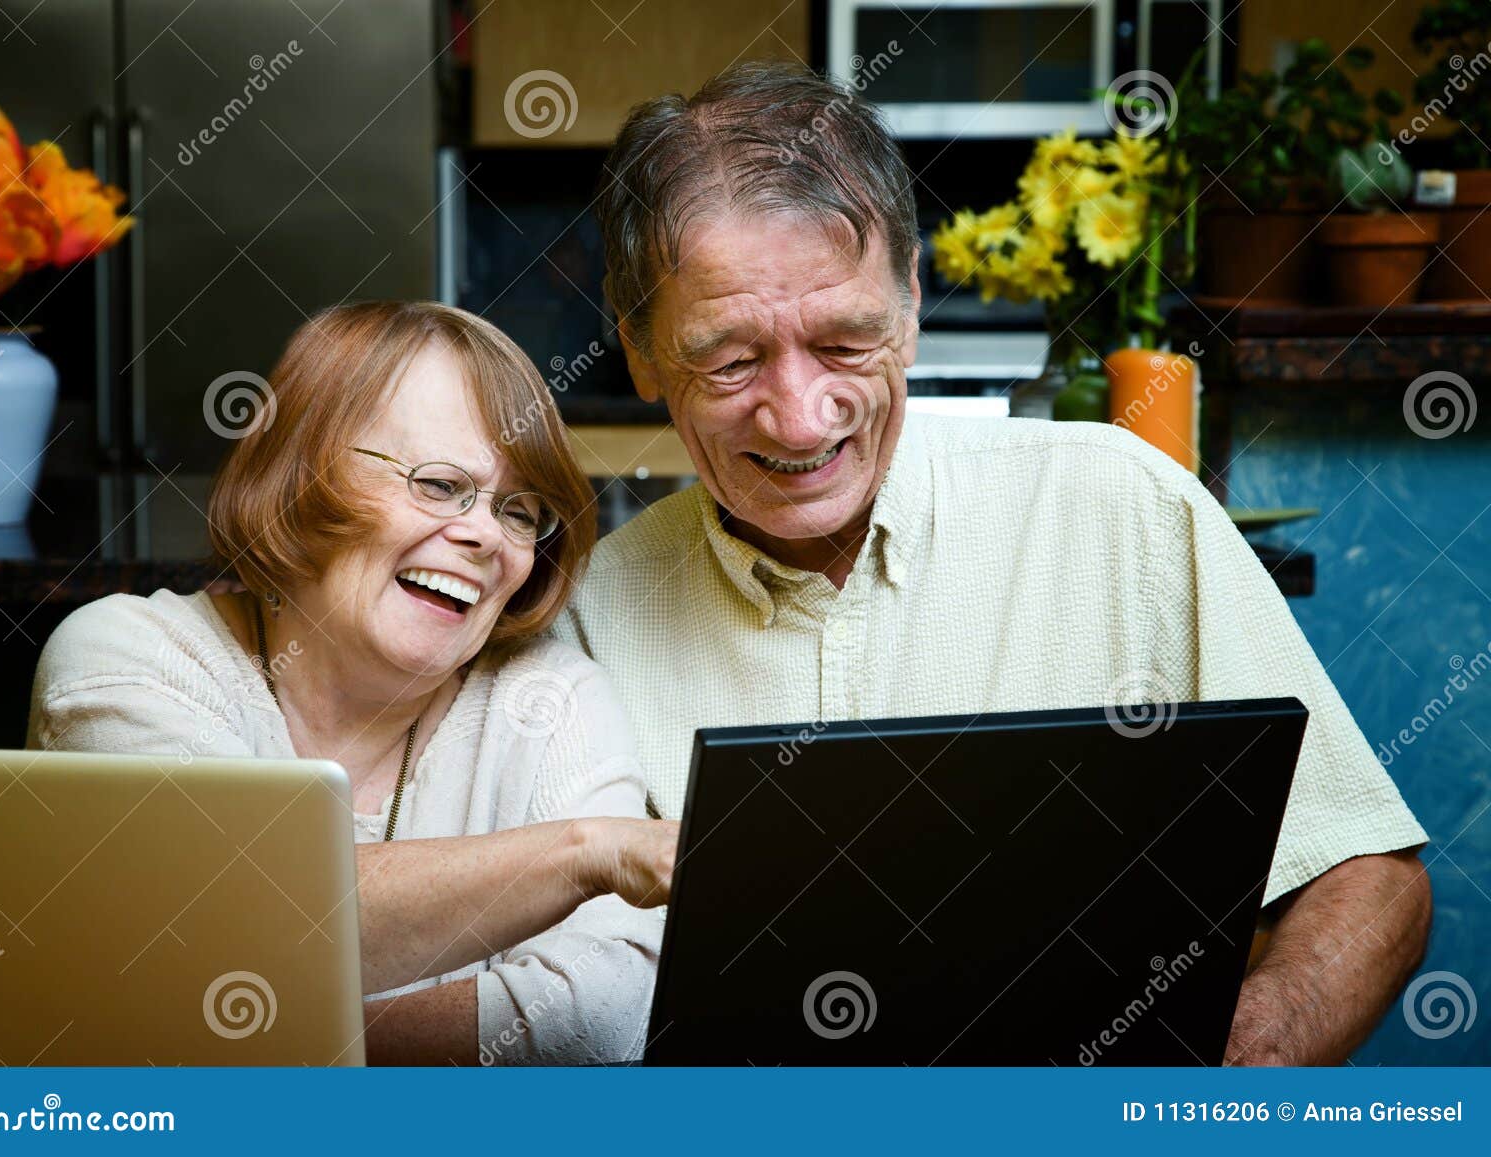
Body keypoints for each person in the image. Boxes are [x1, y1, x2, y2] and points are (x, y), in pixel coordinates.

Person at [554, 62, 1432, 1066]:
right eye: (729, 359)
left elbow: (1368, 872)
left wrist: (1259, 1049)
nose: (799, 416)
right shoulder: (585, 616)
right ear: (640, 351)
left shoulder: (1121, 507)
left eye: (845, 340)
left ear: (912, 299)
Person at [29, 301, 677, 1065]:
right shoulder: (129, 657)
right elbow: (224, 922)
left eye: (520, 510)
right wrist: (582, 851)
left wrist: (276, 1044)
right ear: (301, 474)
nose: (485, 535)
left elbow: (600, 1013)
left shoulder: (550, 696)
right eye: (439, 485)